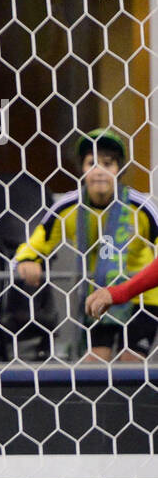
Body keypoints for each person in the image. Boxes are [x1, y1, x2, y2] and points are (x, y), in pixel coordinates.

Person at [18, 129, 158, 362]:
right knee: (94, 360)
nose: (100, 172)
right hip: (99, 294)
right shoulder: (68, 207)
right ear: (82, 169)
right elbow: (37, 242)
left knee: (131, 359)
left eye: (108, 164)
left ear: (119, 169)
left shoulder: (141, 207)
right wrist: (27, 260)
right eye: (92, 163)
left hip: (142, 297)